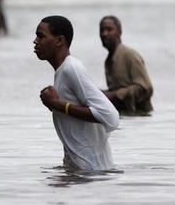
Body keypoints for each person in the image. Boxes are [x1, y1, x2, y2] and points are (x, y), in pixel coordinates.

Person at [35, 15, 119, 172]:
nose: (35, 41)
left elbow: (110, 116)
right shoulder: (62, 71)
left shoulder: (72, 68)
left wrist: (57, 105)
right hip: (79, 170)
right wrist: (56, 106)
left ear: (59, 40)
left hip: (91, 172)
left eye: (41, 36)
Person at [99, 15, 154, 116]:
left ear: (119, 32)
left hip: (140, 118)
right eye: (102, 30)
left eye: (109, 30)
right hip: (125, 116)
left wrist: (114, 95)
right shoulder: (109, 60)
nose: (104, 34)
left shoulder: (130, 56)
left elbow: (146, 88)